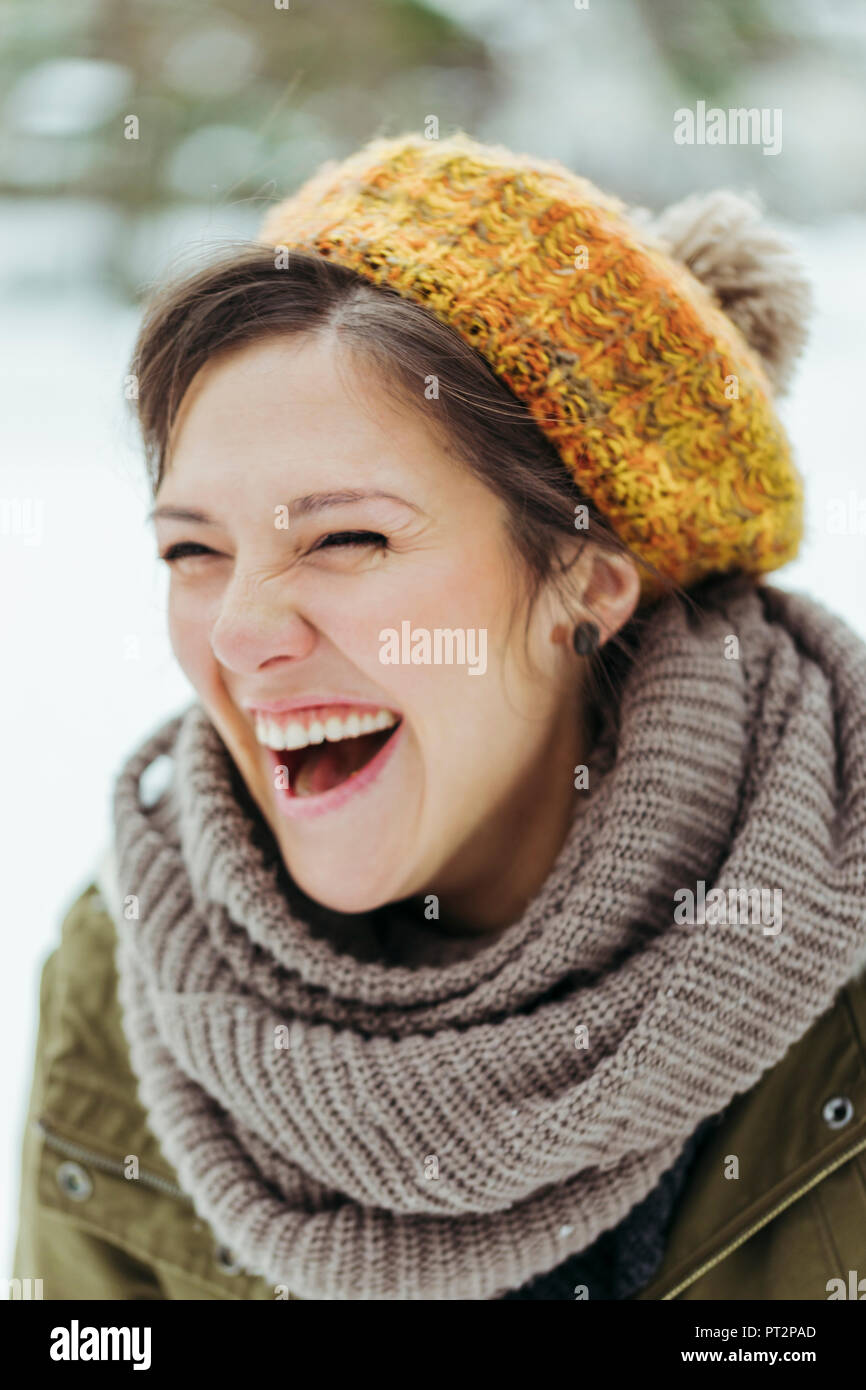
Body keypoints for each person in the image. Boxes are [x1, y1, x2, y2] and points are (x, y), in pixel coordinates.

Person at [13, 131, 866, 1301]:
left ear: (585, 584)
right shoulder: (137, 973)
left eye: (347, 537)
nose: (238, 632)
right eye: (192, 549)